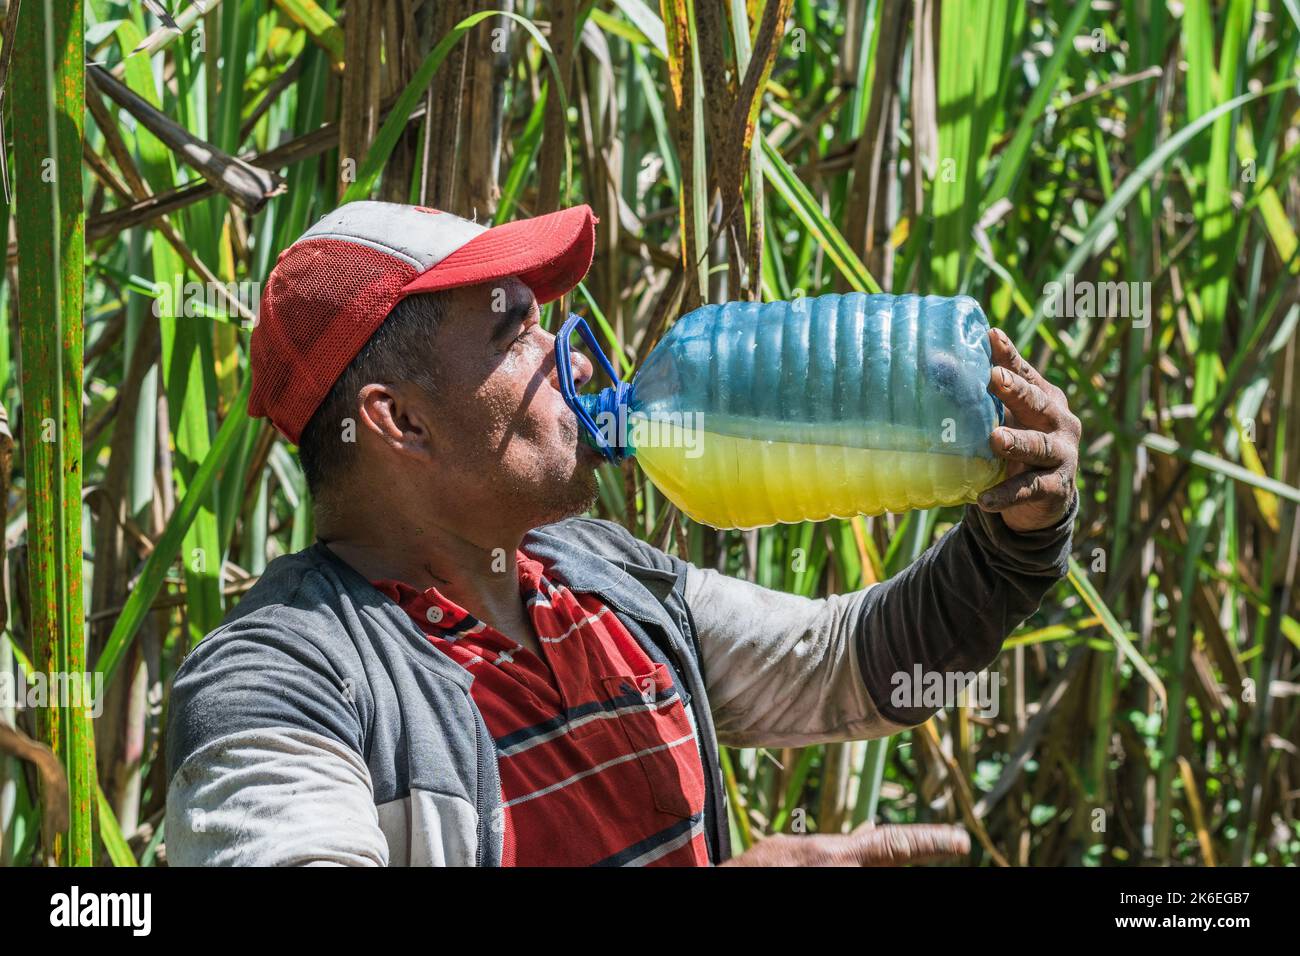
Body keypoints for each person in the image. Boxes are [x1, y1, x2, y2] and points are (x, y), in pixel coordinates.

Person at [164, 201, 1080, 866]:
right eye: (512, 333)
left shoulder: (599, 577)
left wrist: (1015, 539)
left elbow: (850, 666)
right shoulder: (282, 681)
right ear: (399, 421)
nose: (564, 356)